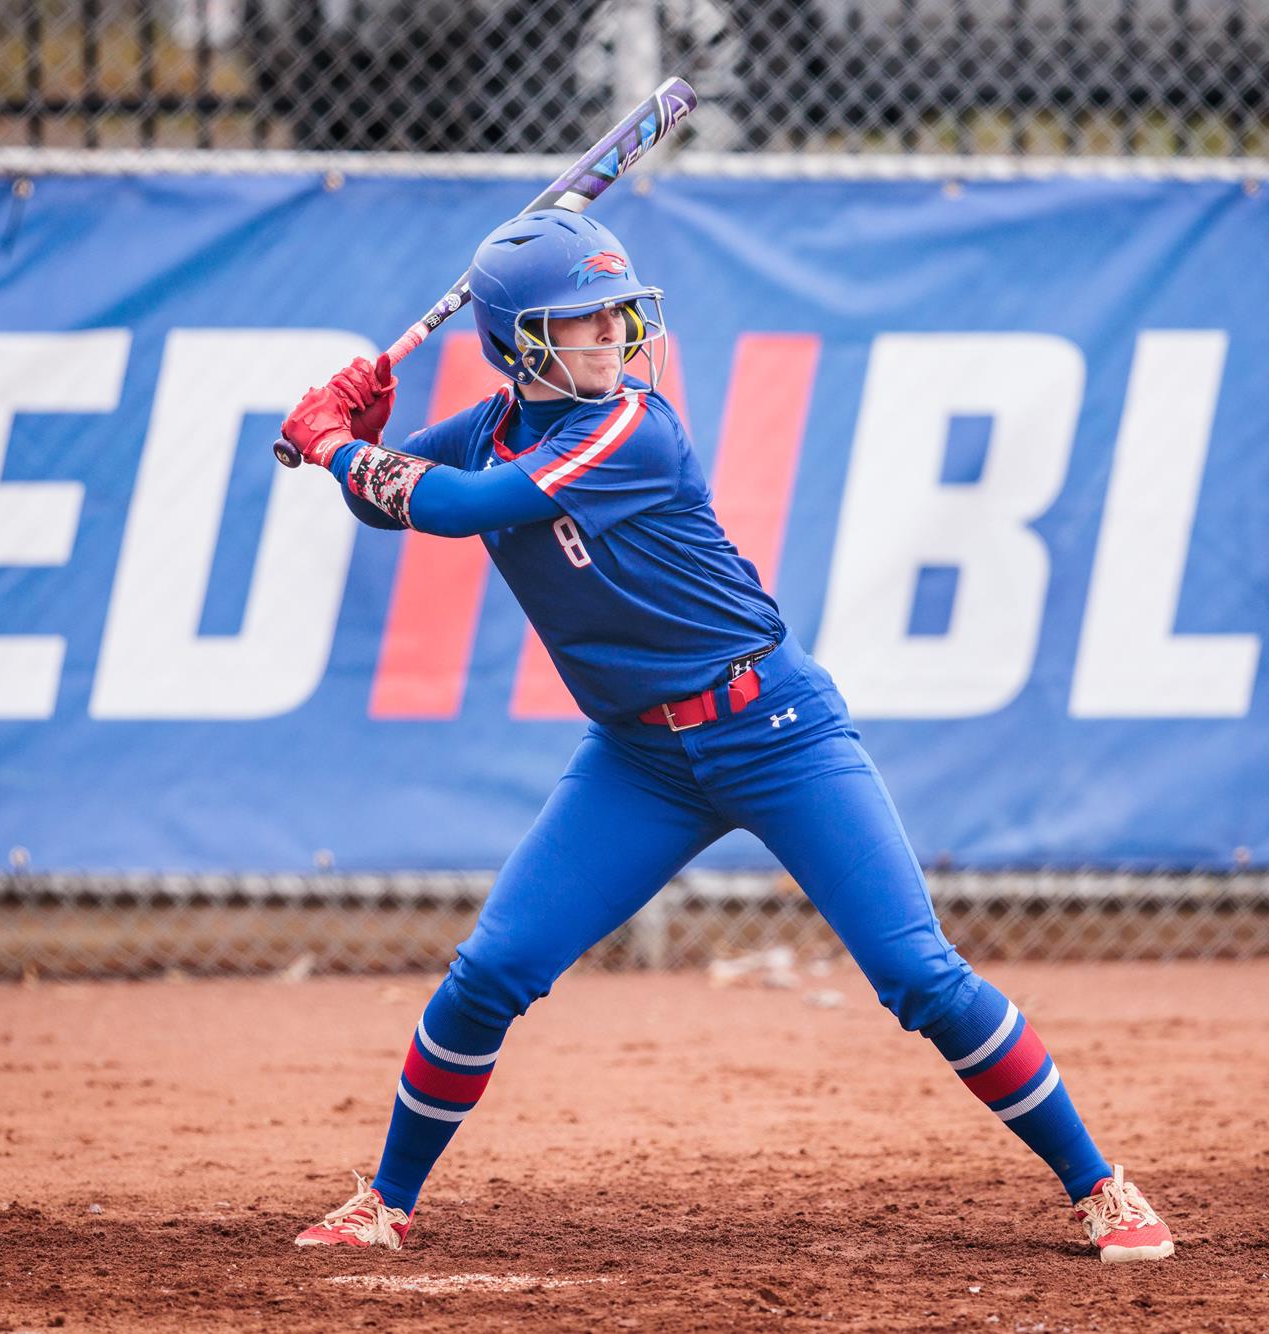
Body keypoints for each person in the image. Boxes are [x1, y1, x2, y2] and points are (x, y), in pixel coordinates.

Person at [281, 209, 1174, 1262]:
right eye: (580, 324)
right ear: (519, 344)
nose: (611, 339)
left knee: (917, 976)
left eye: (616, 317)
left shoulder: (630, 426)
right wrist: (361, 435)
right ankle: (383, 1199)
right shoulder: (489, 428)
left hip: (773, 725)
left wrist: (340, 445)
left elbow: (463, 507)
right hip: (640, 758)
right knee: (492, 968)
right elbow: (395, 504)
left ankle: (1099, 1185)